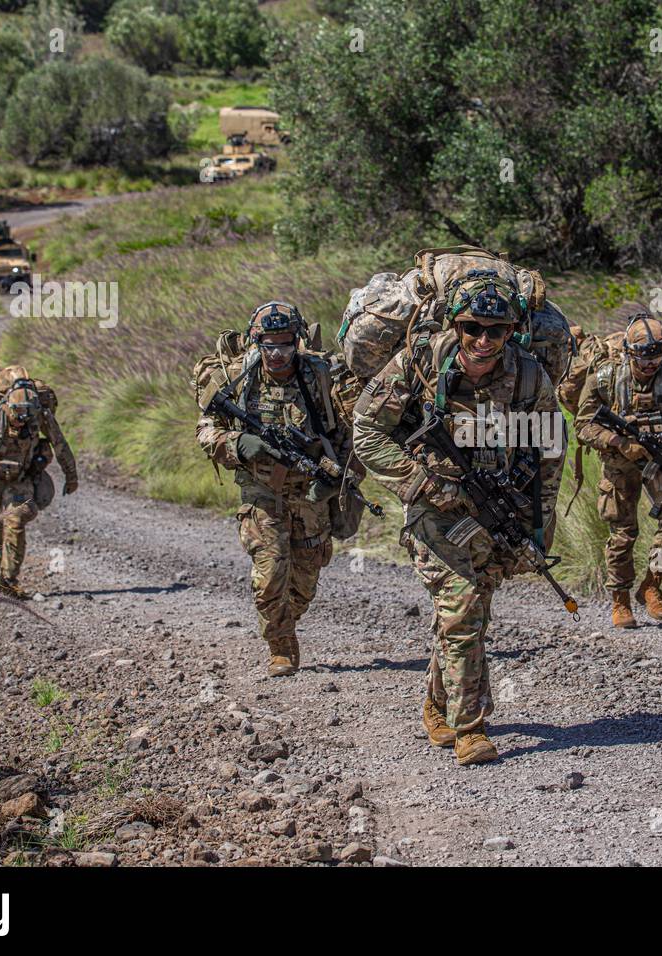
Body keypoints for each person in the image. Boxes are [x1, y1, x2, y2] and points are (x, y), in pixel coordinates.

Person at [352, 275, 564, 765]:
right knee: (463, 604)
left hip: (497, 508)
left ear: (511, 331)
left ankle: (437, 703)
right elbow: (366, 431)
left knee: (470, 612)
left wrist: (535, 524)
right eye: (472, 328)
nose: (483, 341)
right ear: (456, 325)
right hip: (434, 508)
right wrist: (419, 481)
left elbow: (549, 449)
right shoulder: (420, 362)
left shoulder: (530, 376)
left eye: (496, 330)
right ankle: (471, 727)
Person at [195, 302, 350, 676]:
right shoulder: (237, 378)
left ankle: (287, 621)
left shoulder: (319, 377)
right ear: (255, 342)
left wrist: (338, 478)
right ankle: (279, 644)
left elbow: (348, 431)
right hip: (262, 490)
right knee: (269, 574)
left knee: (305, 580)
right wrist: (236, 444)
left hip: (310, 490)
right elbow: (205, 429)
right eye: (269, 345)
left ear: (297, 341)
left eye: (285, 345)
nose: (277, 354)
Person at [573, 313, 662, 628]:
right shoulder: (606, 377)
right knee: (623, 532)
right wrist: (618, 441)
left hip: (661, 457)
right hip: (620, 460)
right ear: (629, 353)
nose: (650, 365)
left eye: (657, 357)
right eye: (643, 359)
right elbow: (583, 424)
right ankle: (620, 600)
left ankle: (652, 584)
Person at [0, 380, 77, 597]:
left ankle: (9, 580)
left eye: (27, 415)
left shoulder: (40, 418)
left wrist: (71, 476)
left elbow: (60, 444)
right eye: (17, 413)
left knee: (15, 521)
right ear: (7, 407)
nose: (21, 421)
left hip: (20, 479)